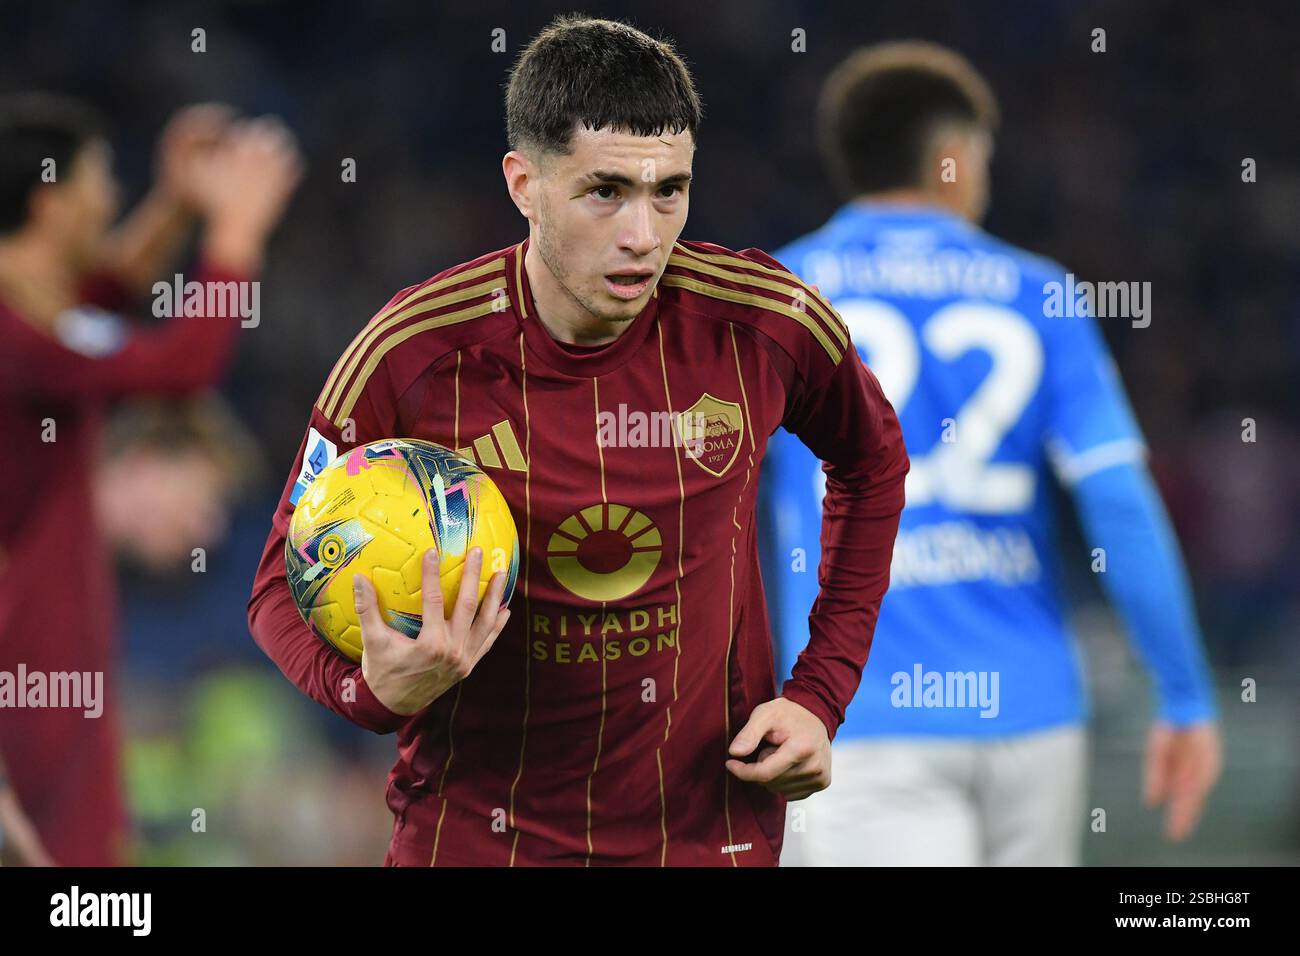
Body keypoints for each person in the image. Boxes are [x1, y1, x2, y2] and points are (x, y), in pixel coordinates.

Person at [248, 15, 908, 867]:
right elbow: (277, 585)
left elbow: (873, 464)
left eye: (669, 190)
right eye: (605, 192)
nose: (643, 234)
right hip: (478, 840)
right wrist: (365, 689)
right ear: (523, 183)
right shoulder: (409, 352)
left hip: (707, 837)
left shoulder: (765, 320)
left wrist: (820, 695)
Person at [760, 41, 1222, 866]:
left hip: (852, 714)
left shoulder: (783, 295)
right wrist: (1183, 694)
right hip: (1032, 714)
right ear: (952, 156)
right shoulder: (1041, 291)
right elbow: (1118, 497)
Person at [0, 94, 300, 865]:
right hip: (29, 672)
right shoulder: (20, 343)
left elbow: (98, 303)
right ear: (49, 200)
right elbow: (179, 368)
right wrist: (235, 234)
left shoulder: (35, 330)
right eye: (99, 181)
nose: (108, 199)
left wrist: (177, 203)